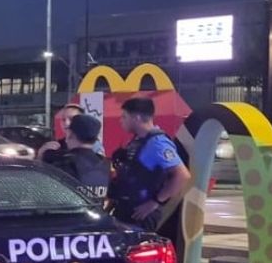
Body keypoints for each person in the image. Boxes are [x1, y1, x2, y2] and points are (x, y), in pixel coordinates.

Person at [109, 97, 191, 231]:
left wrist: (156, 202)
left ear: (137, 117)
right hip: (126, 208)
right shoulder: (138, 140)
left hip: (140, 214)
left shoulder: (157, 143)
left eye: (124, 116)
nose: (121, 121)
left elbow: (182, 175)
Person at [45, 113, 110, 203]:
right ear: (95, 139)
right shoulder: (104, 164)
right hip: (95, 215)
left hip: (70, 216)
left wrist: (41, 155)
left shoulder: (63, 162)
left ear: (70, 134)